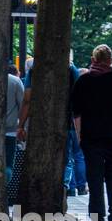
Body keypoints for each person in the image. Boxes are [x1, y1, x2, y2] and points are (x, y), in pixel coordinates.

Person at [70, 45, 112, 221]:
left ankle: (97, 216)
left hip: (90, 135)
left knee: (94, 175)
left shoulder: (83, 82)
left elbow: (77, 113)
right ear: (110, 59)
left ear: (93, 59)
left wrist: (79, 135)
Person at [18, 51, 85, 198]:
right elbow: (79, 102)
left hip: (39, 122)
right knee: (65, 159)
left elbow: (27, 99)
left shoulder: (35, 69)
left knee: (39, 157)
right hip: (65, 123)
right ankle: (62, 190)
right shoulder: (72, 70)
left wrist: (21, 125)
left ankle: (38, 192)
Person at [5, 63, 24, 187]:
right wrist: (22, 127)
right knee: (8, 164)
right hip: (10, 130)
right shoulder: (15, 81)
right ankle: (3, 192)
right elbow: (23, 104)